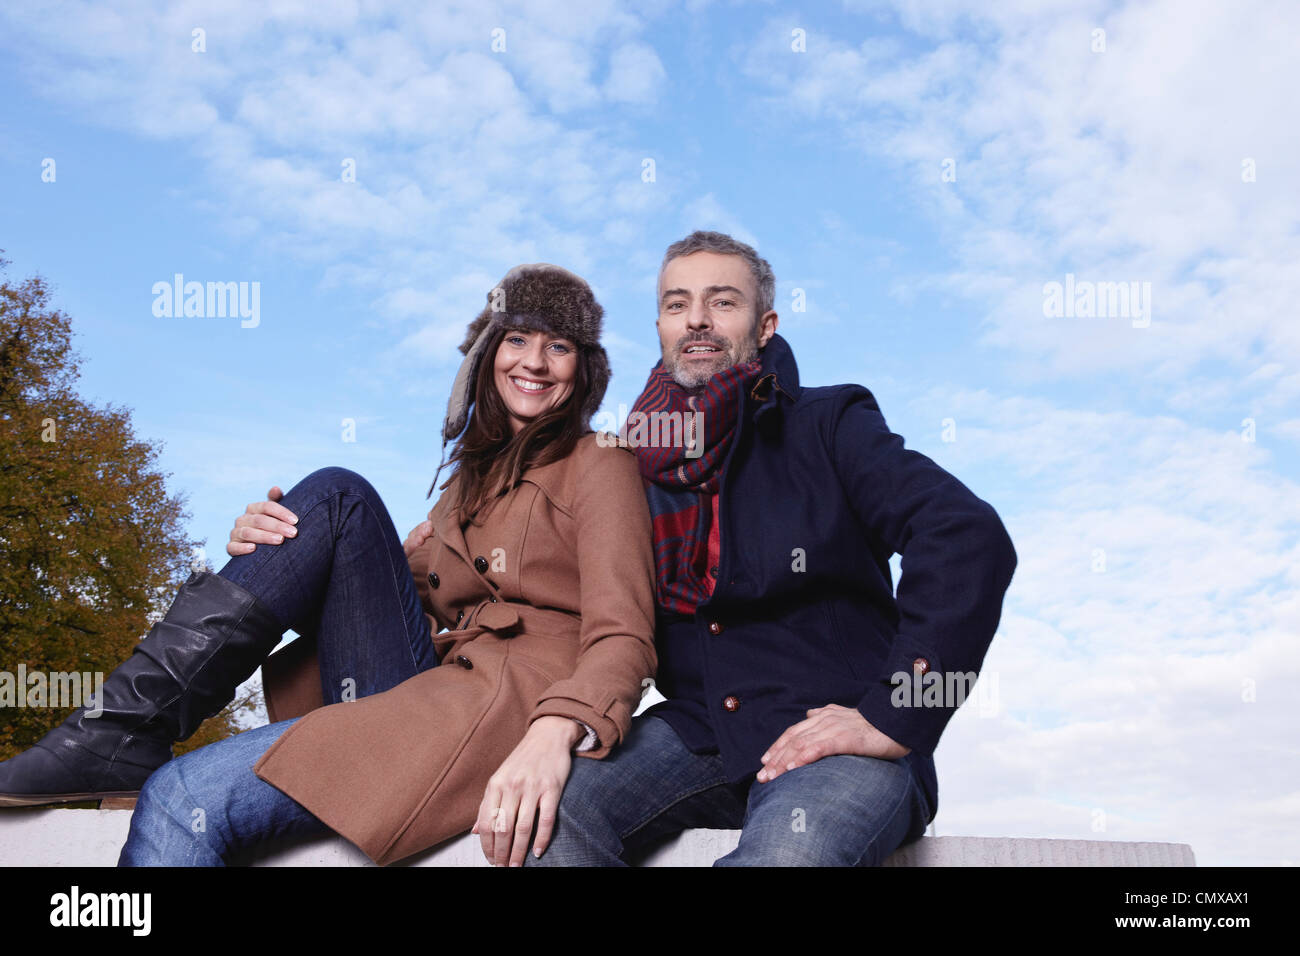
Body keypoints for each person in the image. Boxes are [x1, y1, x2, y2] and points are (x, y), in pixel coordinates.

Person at [0, 264, 657, 867]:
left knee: (181, 798)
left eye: (559, 346)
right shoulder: (465, 486)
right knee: (328, 501)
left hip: (497, 714)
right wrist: (272, 540)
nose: (535, 362)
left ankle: (120, 732)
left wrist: (553, 732)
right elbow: (395, 590)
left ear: (584, 367)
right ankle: (122, 728)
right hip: (426, 687)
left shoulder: (602, 461)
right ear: (489, 354)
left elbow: (625, 635)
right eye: (517, 340)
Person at [528, 231, 1018, 867]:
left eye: (722, 301)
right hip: (697, 733)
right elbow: (550, 578)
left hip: (833, 731)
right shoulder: (626, 467)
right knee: (545, 818)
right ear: (659, 326)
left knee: (788, 854)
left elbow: (966, 535)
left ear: (765, 326)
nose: (697, 318)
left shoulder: (828, 422)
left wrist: (893, 713)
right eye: (677, 304)